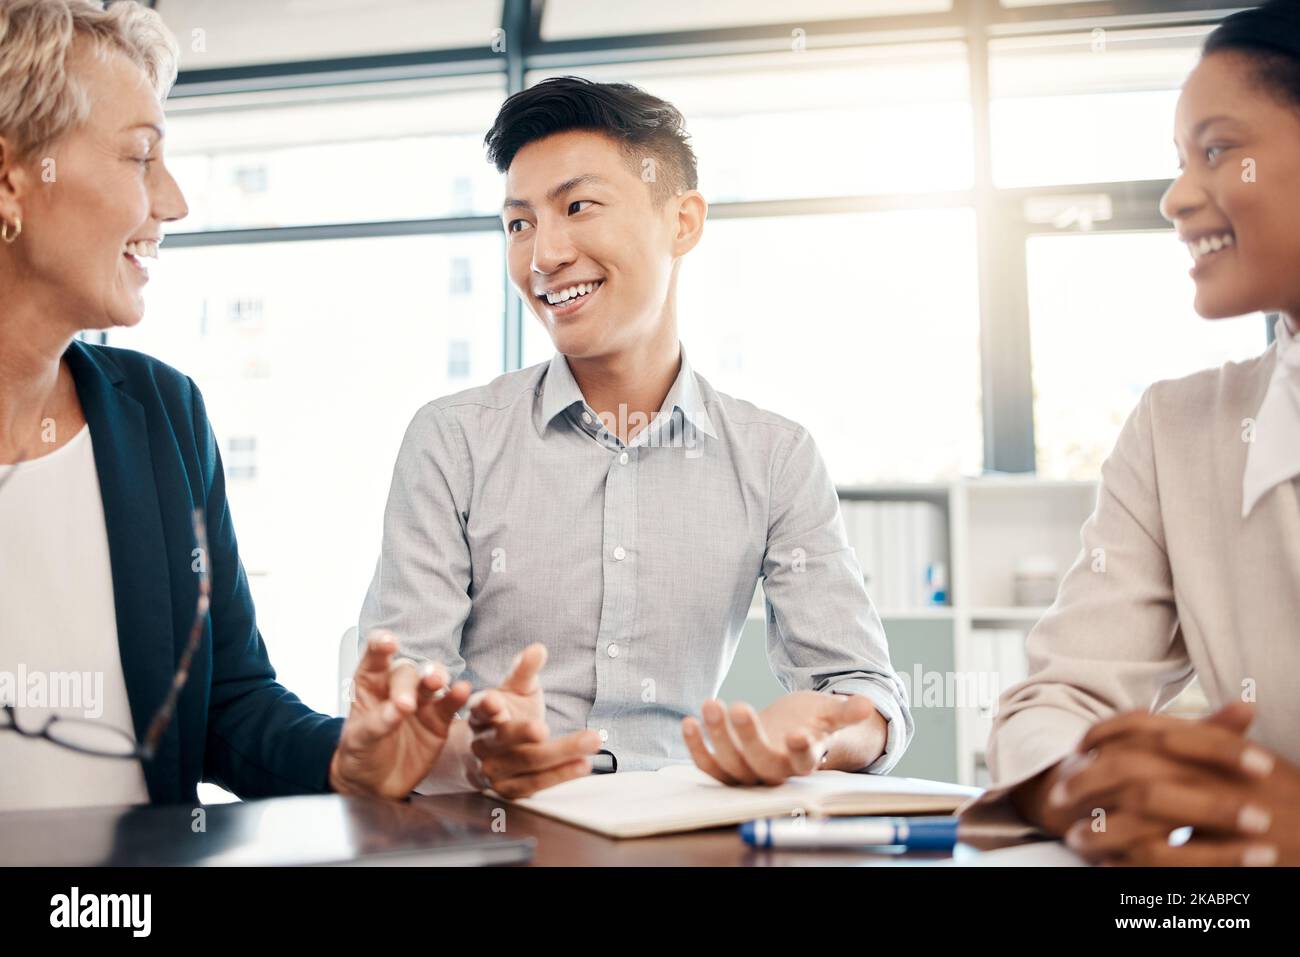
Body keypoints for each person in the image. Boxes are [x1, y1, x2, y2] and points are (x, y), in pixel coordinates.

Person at [360, 77, 912, 799]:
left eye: (577, 207)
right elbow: (401, 697)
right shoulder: (453, 439)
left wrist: (814, 737)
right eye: (518, 224)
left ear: (682, 222)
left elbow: (865, 693)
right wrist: (482, 747)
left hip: (680, 828)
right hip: (489, 825)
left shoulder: (776, 456)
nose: (543, 255)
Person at [0, 0, 471, 812]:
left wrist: (348, 759)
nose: (174, 202)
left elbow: (226, 705)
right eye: (141, 157)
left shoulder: (163, 415)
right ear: (12, 179)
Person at [975, 0, 1300, 866]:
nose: (1176, 196)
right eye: (1180, 160)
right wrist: (1077, 784)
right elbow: (1059, 697)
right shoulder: (1179, 429)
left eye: (1219, 150)